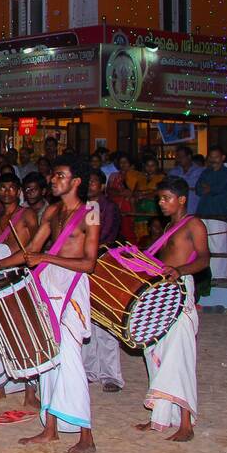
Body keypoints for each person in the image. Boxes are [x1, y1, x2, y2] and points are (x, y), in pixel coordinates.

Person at [0, 157, 98, 453]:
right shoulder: (52, 211)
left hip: (72, 285)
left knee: (70, 358)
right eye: (54, 175)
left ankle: (86, 434)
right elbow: (31, 251)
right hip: (48, 283)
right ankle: (50, 428)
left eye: (61, 175)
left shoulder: (91, 214)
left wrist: (48, 259)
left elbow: (89, 262)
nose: (53, 180)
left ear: (76, 182)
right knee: (49, 356)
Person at [136, 177, 209, 441]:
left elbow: (204, 259)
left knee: (179, 356)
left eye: (166, 198)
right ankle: (160, 417)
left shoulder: (194, 224)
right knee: (155, 350)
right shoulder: (169, 226)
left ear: (182, 199)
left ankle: (186, 425)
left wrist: (180, 270)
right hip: (164, 292)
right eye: (159, 198)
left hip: (181, 291)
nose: (161, 203)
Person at [0, 173, 42, 416]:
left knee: (23, 332)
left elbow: (36, 247)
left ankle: (30, 392)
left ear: (18, 191)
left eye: (10, 188)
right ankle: (0, 385)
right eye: (2, 188)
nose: (6, 192)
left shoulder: (27, 215)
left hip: (19, 277)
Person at [82, 169, 125, 394]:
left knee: (106, 324)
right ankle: (90, 371)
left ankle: (111, 375)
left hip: (105, 267)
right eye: (87, 182)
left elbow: (105, 238)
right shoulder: (83, 207)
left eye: (94, 182)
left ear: (102, 186)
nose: (90, 186)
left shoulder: (108, 208)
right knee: (86, 322)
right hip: (85, 267)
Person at [197, 147, 227, 281]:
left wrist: (209, 188)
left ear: (223, 158)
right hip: (204, 211)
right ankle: (207, 273)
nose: (213, 160)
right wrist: (208, 189)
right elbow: (199, 189)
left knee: (219, 243)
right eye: (211, 157)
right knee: (204, 243)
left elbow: (216, 189)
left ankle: (220, 275)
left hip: (219, 212)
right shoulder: (205, 172)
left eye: (216, 157)